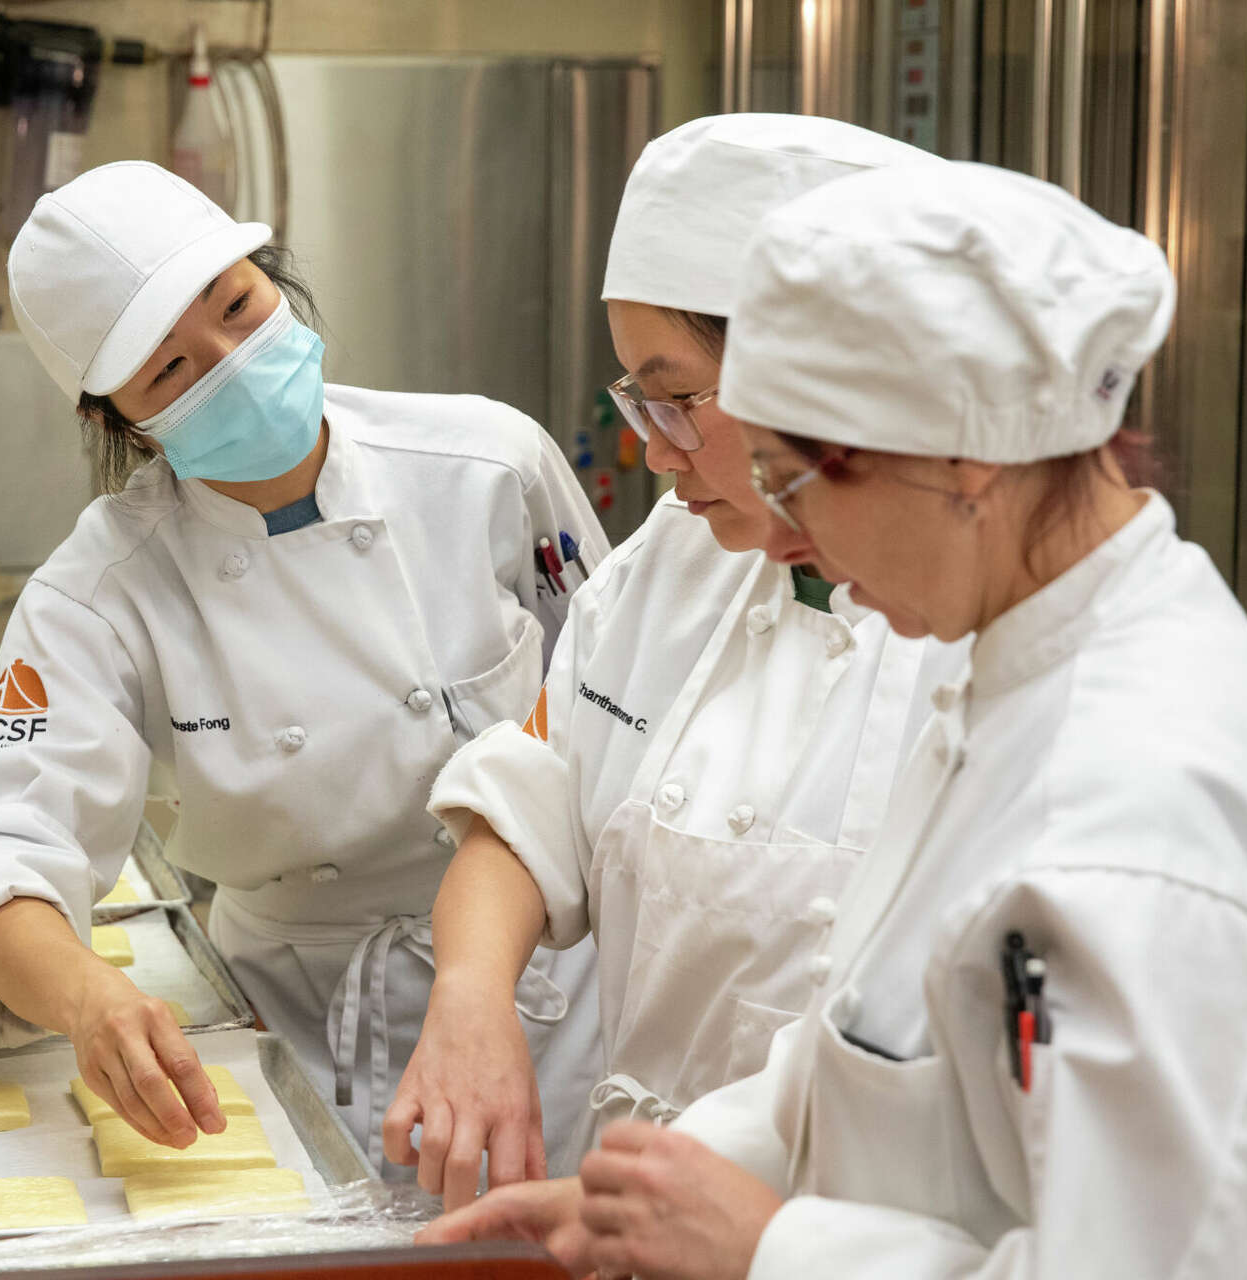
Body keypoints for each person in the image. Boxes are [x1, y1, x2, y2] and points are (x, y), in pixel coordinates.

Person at [422, 160, 1247, 1277]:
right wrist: (653, 1188)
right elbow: (866, 1046)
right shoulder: (1015, 675)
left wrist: (774, 1246)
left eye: (798, 483)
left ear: (961, 459)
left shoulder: (1133, 805)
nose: (785, 543)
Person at [0, 161, 607, 1177]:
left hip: (547, 998)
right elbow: (2, 852)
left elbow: (625, 709)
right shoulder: (100, 591)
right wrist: (89, 995)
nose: (232, 364)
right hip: (293, 1021)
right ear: (122, 422)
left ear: (274, 278)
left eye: (239, 306)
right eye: (172, 372)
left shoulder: (490, 465)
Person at [384, 114, 961, 1210]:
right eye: (634, 399)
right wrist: (470, 992)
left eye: (678, 397)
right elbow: (537, 801)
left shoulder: (985, 643)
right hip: (655, 1216)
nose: (652, 449)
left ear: (820, 378)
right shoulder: (682, 553)